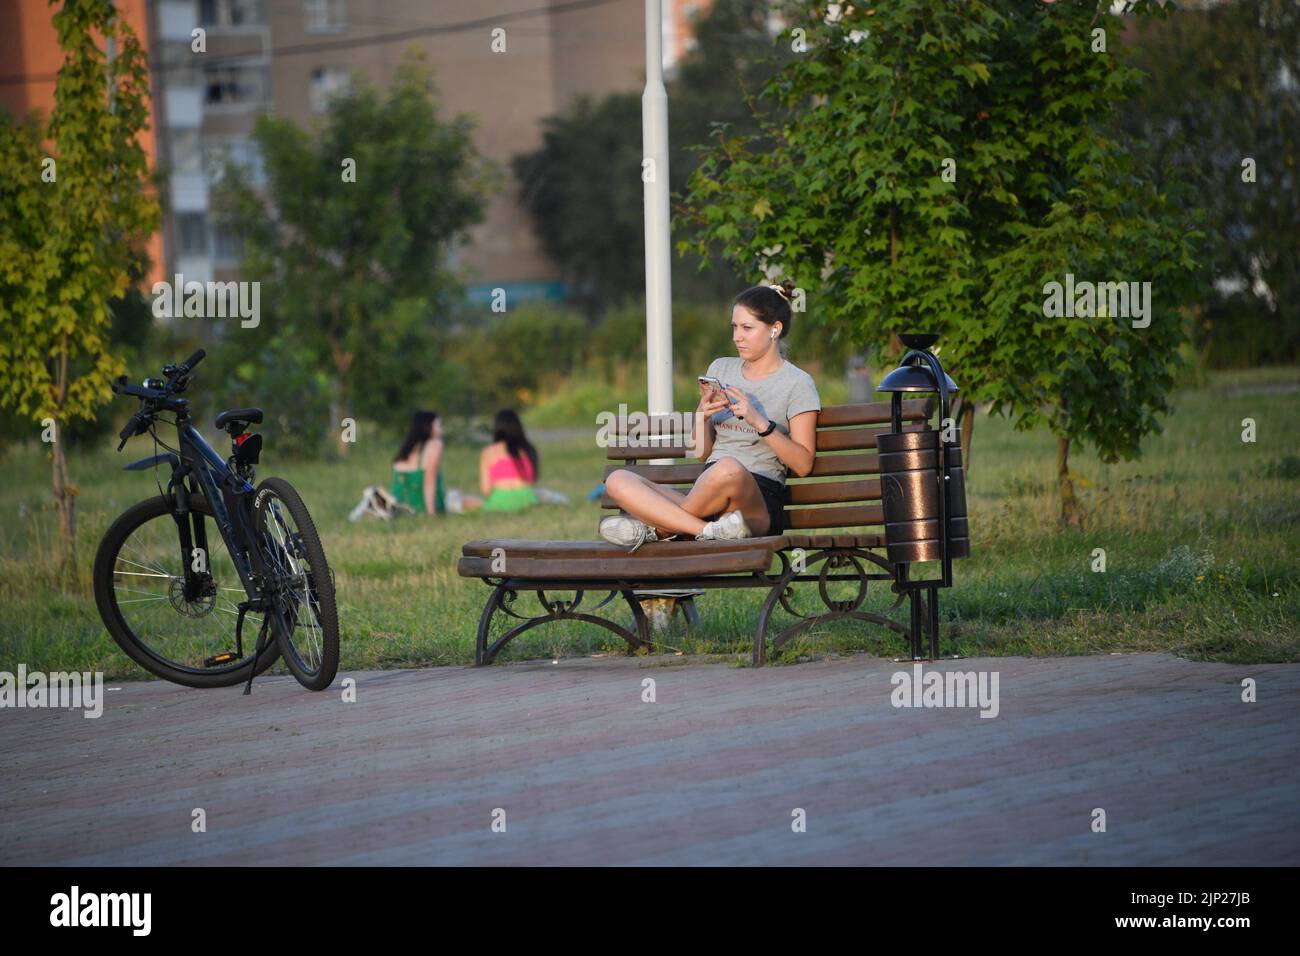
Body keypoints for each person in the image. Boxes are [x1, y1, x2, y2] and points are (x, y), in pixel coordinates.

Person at [600, 279, 821, 551]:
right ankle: (704, 530)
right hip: (710, 498)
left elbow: (803, 464)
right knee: (617, 480)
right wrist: (701, 416)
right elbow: (703, 454)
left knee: (728, 468)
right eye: (735, 327)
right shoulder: (721, 368)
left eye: (747, 328)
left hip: (754, 506)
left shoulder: (797, 383)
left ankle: (658, 529)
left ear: (774, 330)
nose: (736, 337)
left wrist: (760, 422)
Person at [478, 409, 541, 512]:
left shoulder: (488, 452)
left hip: (499, 501)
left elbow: (486, 491)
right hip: (527, 499)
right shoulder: (531, 450)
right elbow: (532, 480)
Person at [391, 410, 445, 515]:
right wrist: (431, 514)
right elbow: (429, 483)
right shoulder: (435, 445)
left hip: (398, 507)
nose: (441, 430)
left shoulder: (407, 448)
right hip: (421, 506)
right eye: (438, 425)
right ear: (428, 427)